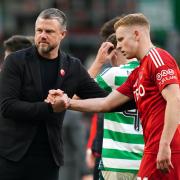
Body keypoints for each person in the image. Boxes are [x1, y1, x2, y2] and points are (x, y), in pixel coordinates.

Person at [47, 13, 180, 179]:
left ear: (137, 34)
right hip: (149, 152)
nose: (119, 45)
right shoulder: (138, 73)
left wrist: (165, 145)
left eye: (122, 39)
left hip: (162, 151)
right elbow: (106, 104)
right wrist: (67, 102)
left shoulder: (158, 58)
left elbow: (175, 100)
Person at [0, 8, 111, 180]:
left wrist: (137, 94)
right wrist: (49, 108)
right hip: (12, 157)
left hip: (49, 159)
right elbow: (7, 106)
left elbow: (103, 98)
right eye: (39, 30)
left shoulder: (72, 66)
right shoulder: (15, 61)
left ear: (62, 34)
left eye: (49, 31)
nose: (42, 35)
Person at [88, 33, 144, 180]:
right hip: (146, 161)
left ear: (113, 52)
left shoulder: (113, 74)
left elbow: (76, 93)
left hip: (116, 163)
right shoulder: (152, 73)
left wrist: (99, 61)